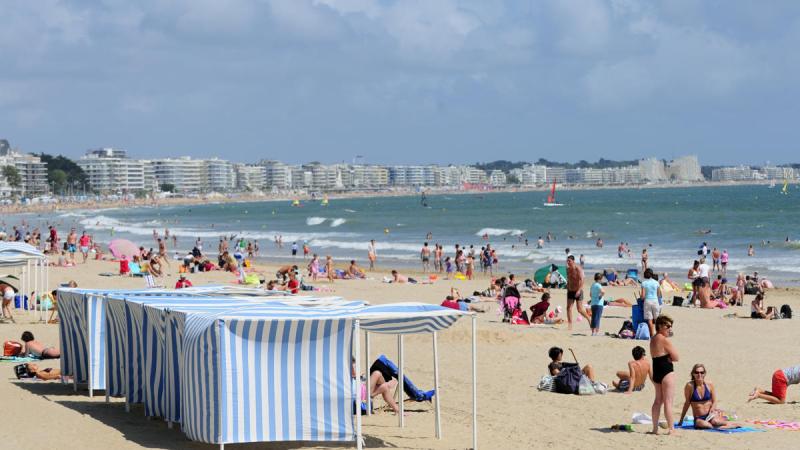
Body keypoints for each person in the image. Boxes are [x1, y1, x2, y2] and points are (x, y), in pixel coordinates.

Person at [678, 364, 736, 429]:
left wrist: (713, 408)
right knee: (706, 425)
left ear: (705, 374)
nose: (699, 375)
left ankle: (733, 425)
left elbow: (714, 401)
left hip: (710, 416)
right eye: (697, 372)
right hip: (699, 418)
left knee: (716, 422)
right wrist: (681, 420)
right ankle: (722, 427)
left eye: (702, 372)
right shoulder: (690, 386)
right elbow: (687, 403)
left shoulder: (709, 384)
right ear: (693, 374)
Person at [650, 315, 679, 435]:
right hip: (666, 371)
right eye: (667, 326)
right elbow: (676, 357)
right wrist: (670, 358)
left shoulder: (653, 339)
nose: (669, 329)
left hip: (656, 369)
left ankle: (655, 429)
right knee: (668, 401)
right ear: (660, 326)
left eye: (670, 326)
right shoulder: (663, 339)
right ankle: (671, 429)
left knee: (658, 400)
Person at [565, 255, 590, 330]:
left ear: (573, 261)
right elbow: (569, 279)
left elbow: (582, 280)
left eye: (569, 261)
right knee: (568, 308)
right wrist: (567, 287)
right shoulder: (567, 269)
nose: (568, 262)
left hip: (578, 291)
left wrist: (579, 290)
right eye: (567, 260)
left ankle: (589, 319)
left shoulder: (578, 268)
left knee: (579, 309)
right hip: (570, 291)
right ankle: (570, 325)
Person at [640, 268, 662, 337]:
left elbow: (642, 296)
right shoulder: (656, 282)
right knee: (657, 319)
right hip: (655, 301)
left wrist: (641, 298)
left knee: (650, 319)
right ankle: (659, 334)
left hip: (647, 301)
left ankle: (652, 335)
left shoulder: (644, 283)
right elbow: (659, 295)